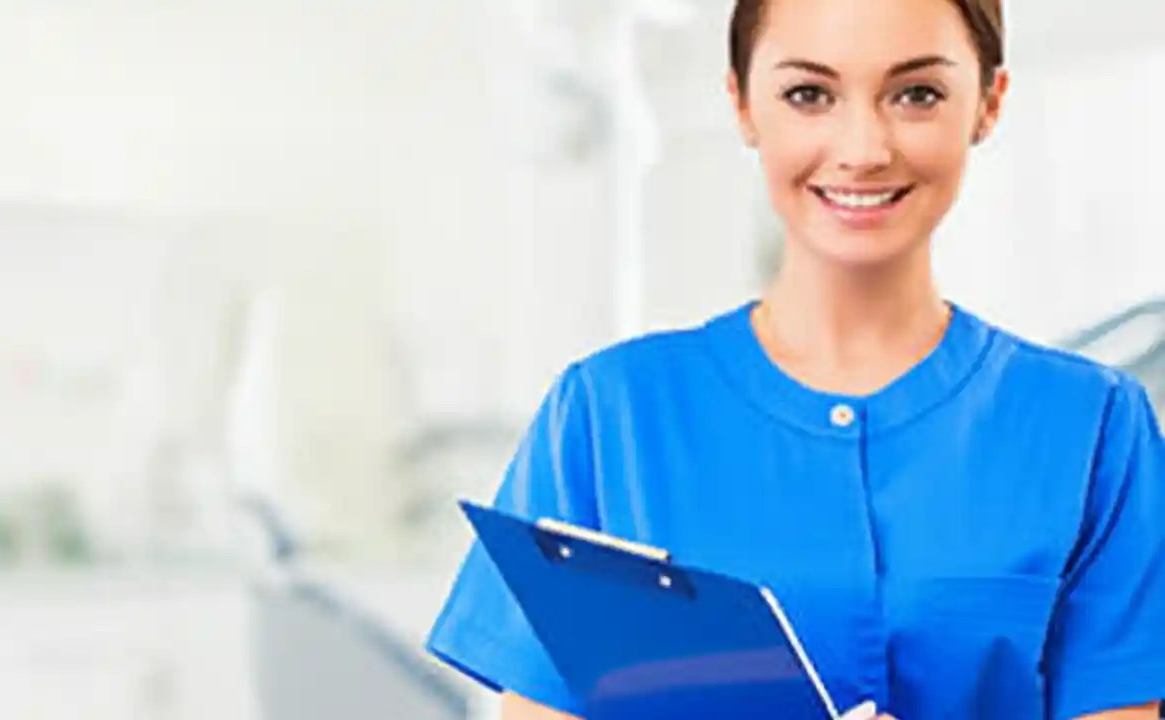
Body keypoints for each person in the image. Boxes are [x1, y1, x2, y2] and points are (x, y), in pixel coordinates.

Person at [424, 0, 1165, 717]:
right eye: (809, 94)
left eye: (917, 94)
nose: (864, 149)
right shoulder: (606, 417)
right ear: (742, 103)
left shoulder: (1093, 429)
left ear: (988, 102)